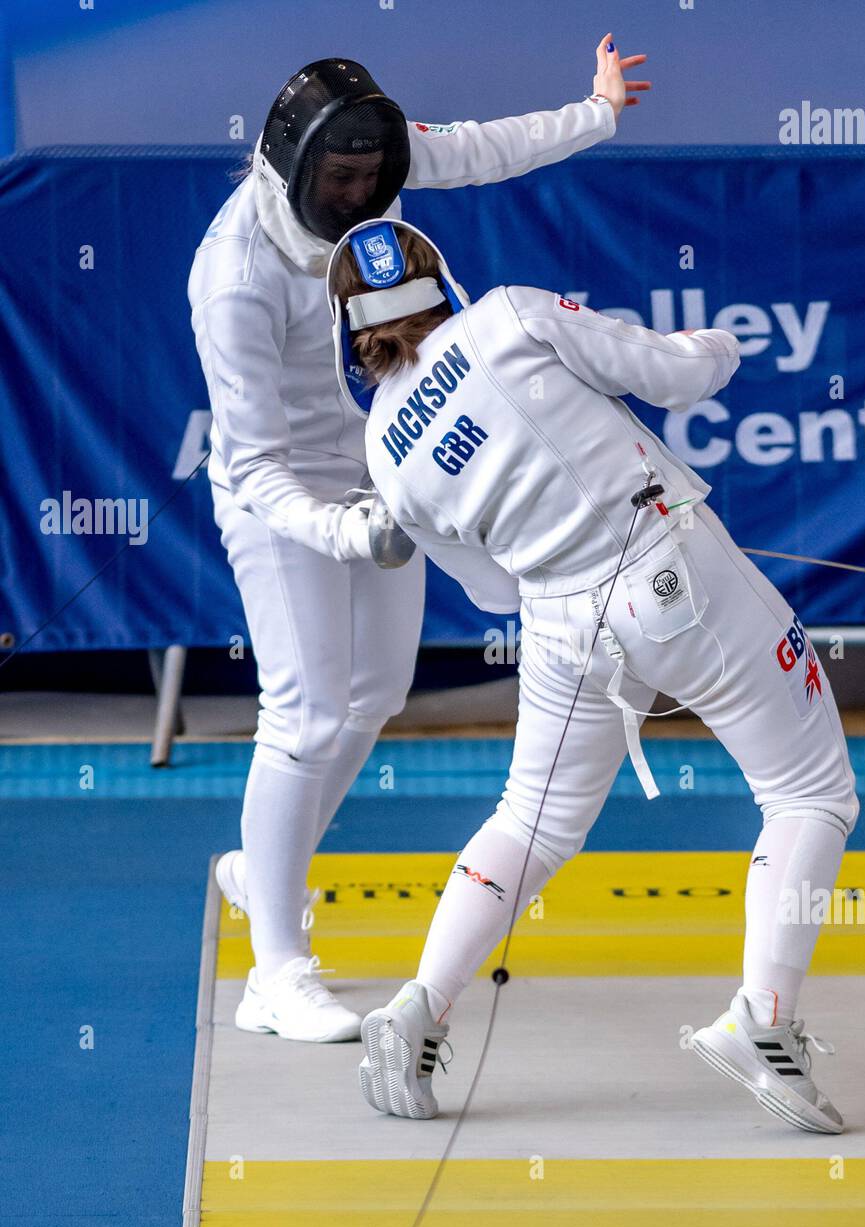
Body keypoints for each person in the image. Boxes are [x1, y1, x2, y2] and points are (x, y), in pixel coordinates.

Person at [325, 219, 860, 1134]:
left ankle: (418, 1008)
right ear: (435, 279)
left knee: (529, 821)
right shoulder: (506, 316)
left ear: (348, 329)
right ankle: (762, 1024)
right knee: (809, 793)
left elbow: (491, 589)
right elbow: (676, 374)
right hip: (672, 572)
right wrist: (720, 345)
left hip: (560, 621)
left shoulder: (383, 450)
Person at [187, 40, 650, 1044]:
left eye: (373, 177)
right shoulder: (234, 278)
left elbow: (486, 148)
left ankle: (261, 870)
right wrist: (343, 529)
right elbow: (256, 463)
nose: (361, 196)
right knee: (305, 710)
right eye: (341, 179)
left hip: (373, 467)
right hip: (280, 500)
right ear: (288, 169)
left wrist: (597, 111)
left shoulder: (376, 168)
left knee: (375, 697)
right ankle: (276, 966)